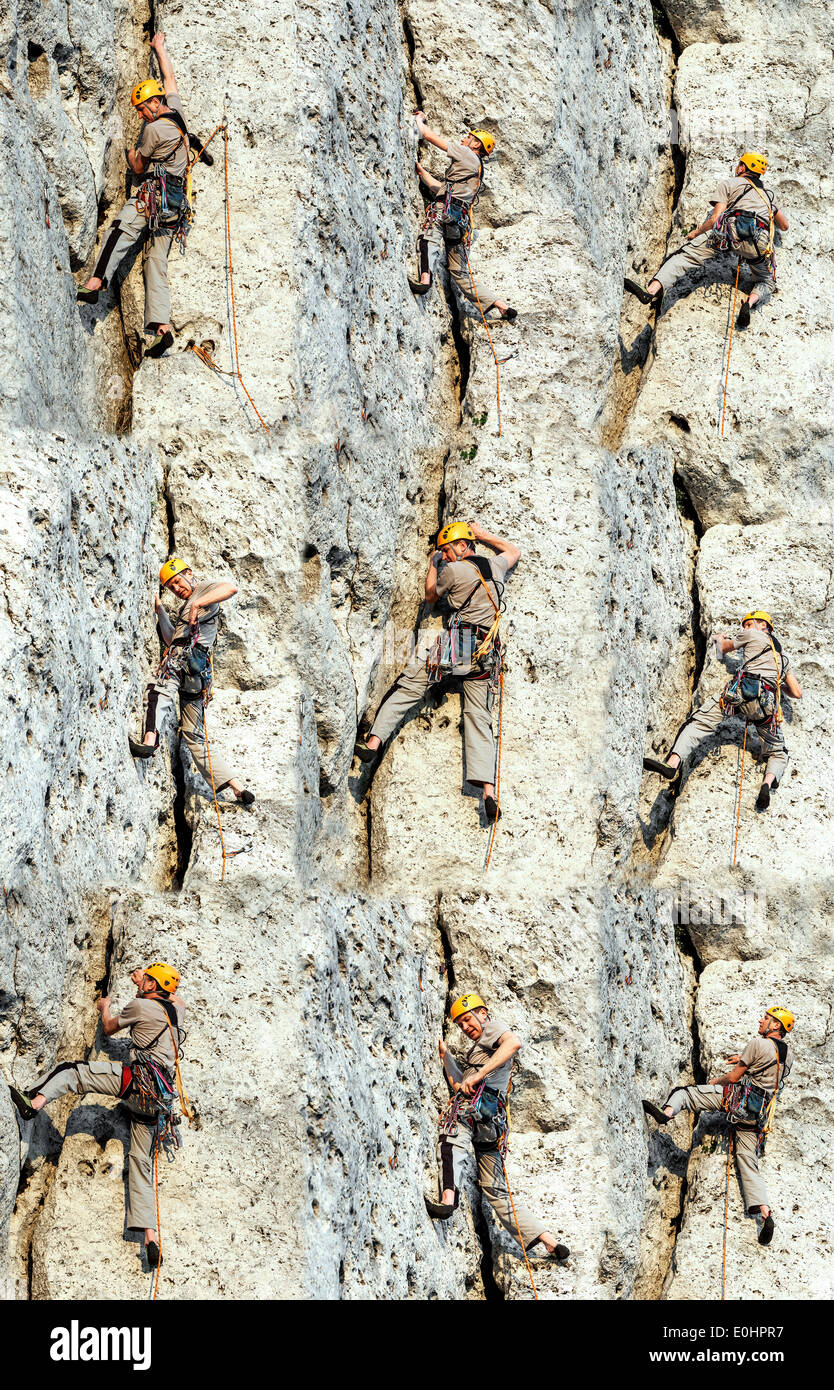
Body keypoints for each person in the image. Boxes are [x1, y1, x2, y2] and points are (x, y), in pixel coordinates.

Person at [8, 963, 187, 1267]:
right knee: (142, 1163)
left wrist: (106, 1006)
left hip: (135, 1084)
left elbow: (109, 1028)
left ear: (151, 986)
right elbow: (172, 999)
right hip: (158, 1101)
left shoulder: (140, 1005)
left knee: (72, 1071)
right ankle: (150, 1236)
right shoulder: (177, 1010)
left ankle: (33, 1103)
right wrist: (148, 983)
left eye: (146, 980)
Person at [354, 520, 519, 821]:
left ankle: (373, 743)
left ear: (460, 546)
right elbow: (513, 551)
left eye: (448, 549)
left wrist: (434, 564)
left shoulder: (454, 570)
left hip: (460, 643)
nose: (446, 555)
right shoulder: (495, 567)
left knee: (409, 686)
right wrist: (483, 534)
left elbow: (431, 596)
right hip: (487, 652)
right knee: (479, 718)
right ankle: (489, 792)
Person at [425, 993, 569, 1262]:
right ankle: (548, 1241)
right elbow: (460, 1085)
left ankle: (447, 1202)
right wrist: (447, 1058)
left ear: (483, 1012)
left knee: (450, 1141)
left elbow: (514, 1042)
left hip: (473, 1110)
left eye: (468, 1019)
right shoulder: (480, 1049)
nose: (466, 1027)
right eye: (460, 1025)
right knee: (496, 1189)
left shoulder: (493, 1028)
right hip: (491, 1122)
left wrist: (479, 1074)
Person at [76, 34, 191, 358]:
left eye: (142, 109)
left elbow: (139, 165)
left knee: (119, 231)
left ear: (154, 104)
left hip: (151, 196)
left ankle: (97, 282)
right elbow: (169, 78)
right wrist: (159, 48)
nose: (140, 115)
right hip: (175, 204)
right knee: (156, 263)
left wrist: (129, 153)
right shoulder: (177, 114)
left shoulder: (154, 130)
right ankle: (161, 328)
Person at [642, 1006, 794, 1246]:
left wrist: (717, 1081)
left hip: (738, 1100)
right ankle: (764, 1213)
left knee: (687, 1093)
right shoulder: (787, 1054)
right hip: (758, 1114)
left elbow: (734, 1078)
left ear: (776, 1025)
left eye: (766, 1018)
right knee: (747, 1160)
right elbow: (766, 1071)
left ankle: (667, 1113)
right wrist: (744, 1060)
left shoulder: (758, 1043)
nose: (761, 1020)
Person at [643, 610, 802, 810]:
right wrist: (776, 683)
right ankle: (767, 783)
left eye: (748, 623)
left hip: (739, 695)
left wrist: (719, 639)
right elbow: (796, 692)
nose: (745, 628)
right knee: (778, 752)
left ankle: (672, 764)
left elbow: (723, 650)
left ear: (762, 625)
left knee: (699, 723)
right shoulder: (783, 659)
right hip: (766, 705)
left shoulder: (752, 634)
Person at [129, 557, 254, 805]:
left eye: (177, 581)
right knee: (193, 734)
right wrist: (161, 612)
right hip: (196, 670)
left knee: (158, 691)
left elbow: (230, 588)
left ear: (189, 573)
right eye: (171, 587)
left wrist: (197, 602)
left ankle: (149, 743)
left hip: (182, 661)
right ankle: (237, 787)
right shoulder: (185, 607)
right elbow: (171, 638)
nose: (176, 588)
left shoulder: (203, 590)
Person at [624, 152, 788, 328]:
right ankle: (749, 303)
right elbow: (784, 226)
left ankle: (650, 291)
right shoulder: (769, 195)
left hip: (728, 235)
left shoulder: (730, 184)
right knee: (766, 281)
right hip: (758, 243)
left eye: (739, 164)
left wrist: (696, 233)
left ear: (742, 167)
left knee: (684, 257)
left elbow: (715, 219)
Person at [409, 112, 516, 320]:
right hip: (459, 222)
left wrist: (419, 120)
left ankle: (424, 280)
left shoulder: (467, 155)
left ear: (476, 145)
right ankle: (499, 304)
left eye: (468, 137)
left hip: (443, 213)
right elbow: (441, 189)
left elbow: (429, 136)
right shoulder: (477, 170)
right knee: (460, 271)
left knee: (428, 240)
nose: (463, 140)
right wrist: (422, 173)